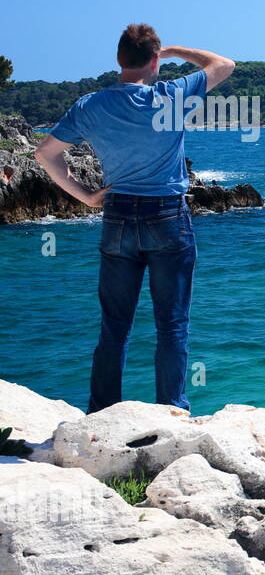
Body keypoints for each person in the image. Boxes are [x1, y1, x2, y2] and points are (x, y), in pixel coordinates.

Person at [35, 23, 235, 412]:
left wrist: (88, 197)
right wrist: (177, 51)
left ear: (118, 60)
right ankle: (171, 409)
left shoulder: (90, 105)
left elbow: (45, 155)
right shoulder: (172, 95)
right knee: (171, 325)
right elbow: (223, 64)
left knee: (114, 326)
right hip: (167, 217)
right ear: (154, 60)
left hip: (118, 215)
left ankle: (102, 411)